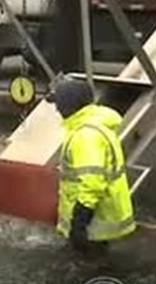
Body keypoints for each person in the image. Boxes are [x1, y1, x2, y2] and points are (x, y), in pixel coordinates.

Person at [50, 79, 136, 256]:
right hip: (100, 222)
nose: (56, 109)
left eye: (58, 104)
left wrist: (79, 223)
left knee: (91, 271)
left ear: (68, 106)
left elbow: (92, 182)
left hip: (94, 225)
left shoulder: (85, 136)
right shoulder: (92, 125)